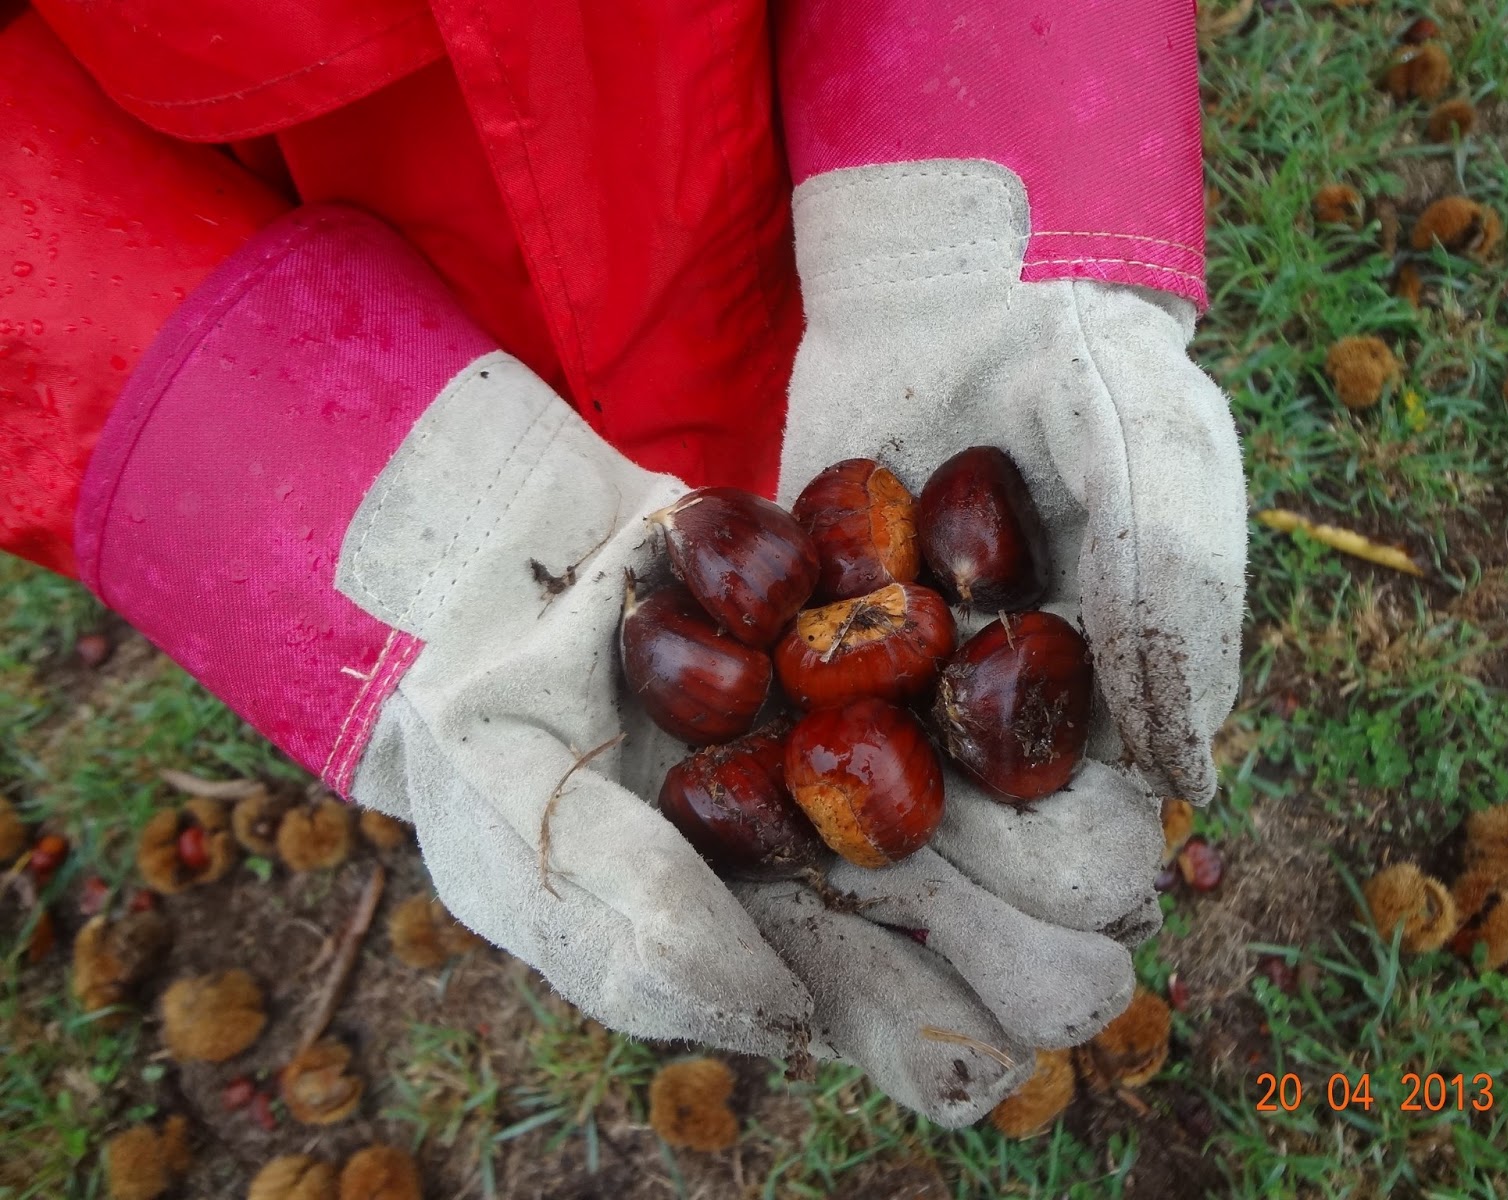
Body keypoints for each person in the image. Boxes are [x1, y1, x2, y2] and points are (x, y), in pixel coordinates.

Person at [1, 0, 1247, 1126]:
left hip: (795, 198)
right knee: (715, 542)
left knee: (753, 489)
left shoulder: (820, 606)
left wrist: (994, 110)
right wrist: (232, 468)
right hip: (345, 290)